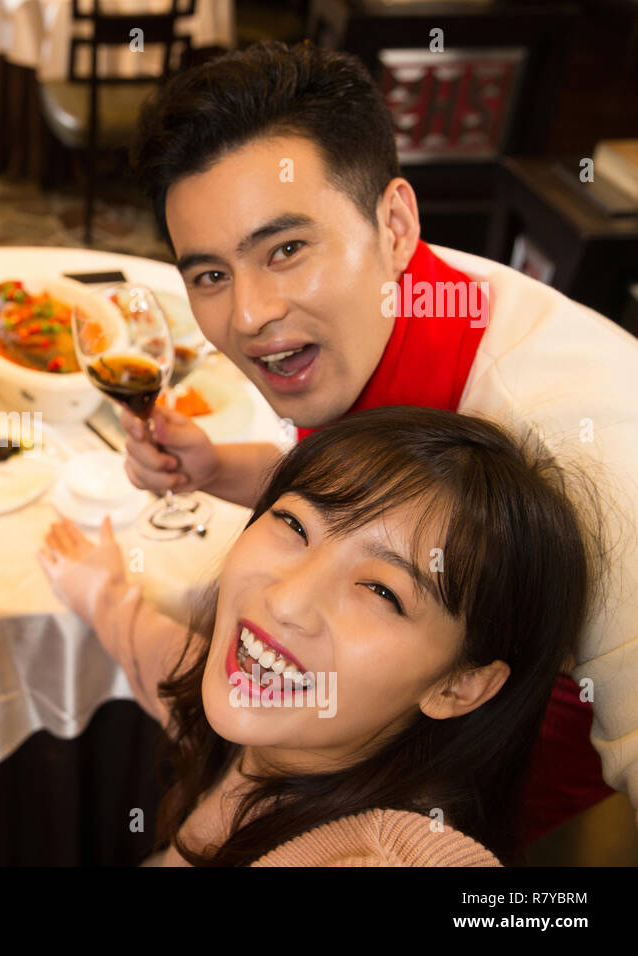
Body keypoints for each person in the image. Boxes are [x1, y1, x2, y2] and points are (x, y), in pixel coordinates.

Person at [118, 40, 638, 842]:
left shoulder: (587, 442)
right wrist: (223, 468)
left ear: (393, 225)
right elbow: (365, 509)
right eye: (210, 275)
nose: (249, 314)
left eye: (286, 249)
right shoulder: (361, 313)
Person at [40, 407, 601, 865]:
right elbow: (174, 664)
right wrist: (100, 595)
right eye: (294, 525)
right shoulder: (286, 729)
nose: (286, 600)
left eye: (382, 591)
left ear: (459, 686)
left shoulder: (383, 853)